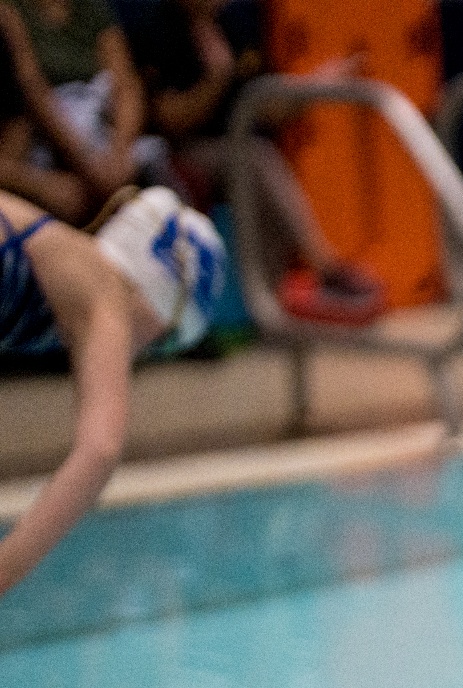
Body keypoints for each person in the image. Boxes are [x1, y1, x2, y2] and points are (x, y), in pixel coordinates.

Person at [0, 185, 223, 599]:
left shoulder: (62, 254)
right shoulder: (109, 299)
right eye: (166, 341)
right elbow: (99, 452)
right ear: (161, 310)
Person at [127, 0, 383, 324]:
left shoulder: (234, 25)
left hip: (237, 148)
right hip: (178, 152)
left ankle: (267, 304)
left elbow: (265, 108)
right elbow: (168, 120)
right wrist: (216, 79)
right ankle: (326, 268)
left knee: (257, 162)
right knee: (255, 158)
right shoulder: (155, 28)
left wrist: (316, 86)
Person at [0, 0, 160, 226]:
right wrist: (81, 163)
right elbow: (30, 91)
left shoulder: (91, 9)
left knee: (154, 185)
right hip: (50, 143)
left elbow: (125, 84)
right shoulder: (11, 12)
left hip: (100, 136)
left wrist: (119, 154)